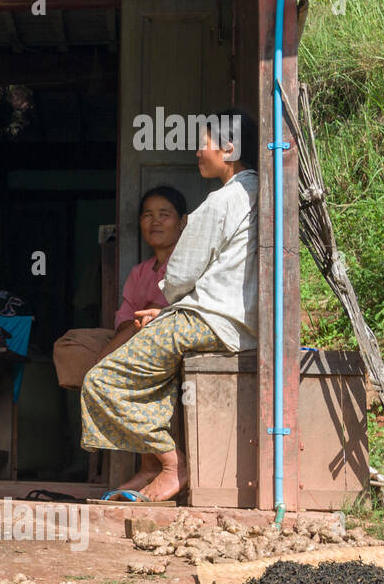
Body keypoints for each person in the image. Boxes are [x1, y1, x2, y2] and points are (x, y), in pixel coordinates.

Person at [82, 109, 260, 502]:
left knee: (102, 379)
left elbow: (179, 276)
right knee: (154, 368)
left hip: (208, 321)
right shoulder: (259, 193)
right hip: (235, 324)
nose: (197, 150)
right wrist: (167, 313)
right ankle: (149, 470)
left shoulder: (224, 199)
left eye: (205, 142)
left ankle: (170, 465)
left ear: (229, 148)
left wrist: (174, 307)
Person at [53, 186, 190, 388]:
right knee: (68, 344)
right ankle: (102, 374)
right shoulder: (139, 271)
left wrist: (108, 353)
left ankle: (98, 375)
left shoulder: (185, 264)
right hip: (129, 339)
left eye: (164, 214)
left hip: (162, 343)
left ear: (183, 221)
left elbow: (154, 317)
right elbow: (123, 320)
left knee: (143, 326)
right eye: (148, 215)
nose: (155, 222)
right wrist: (131, 329)